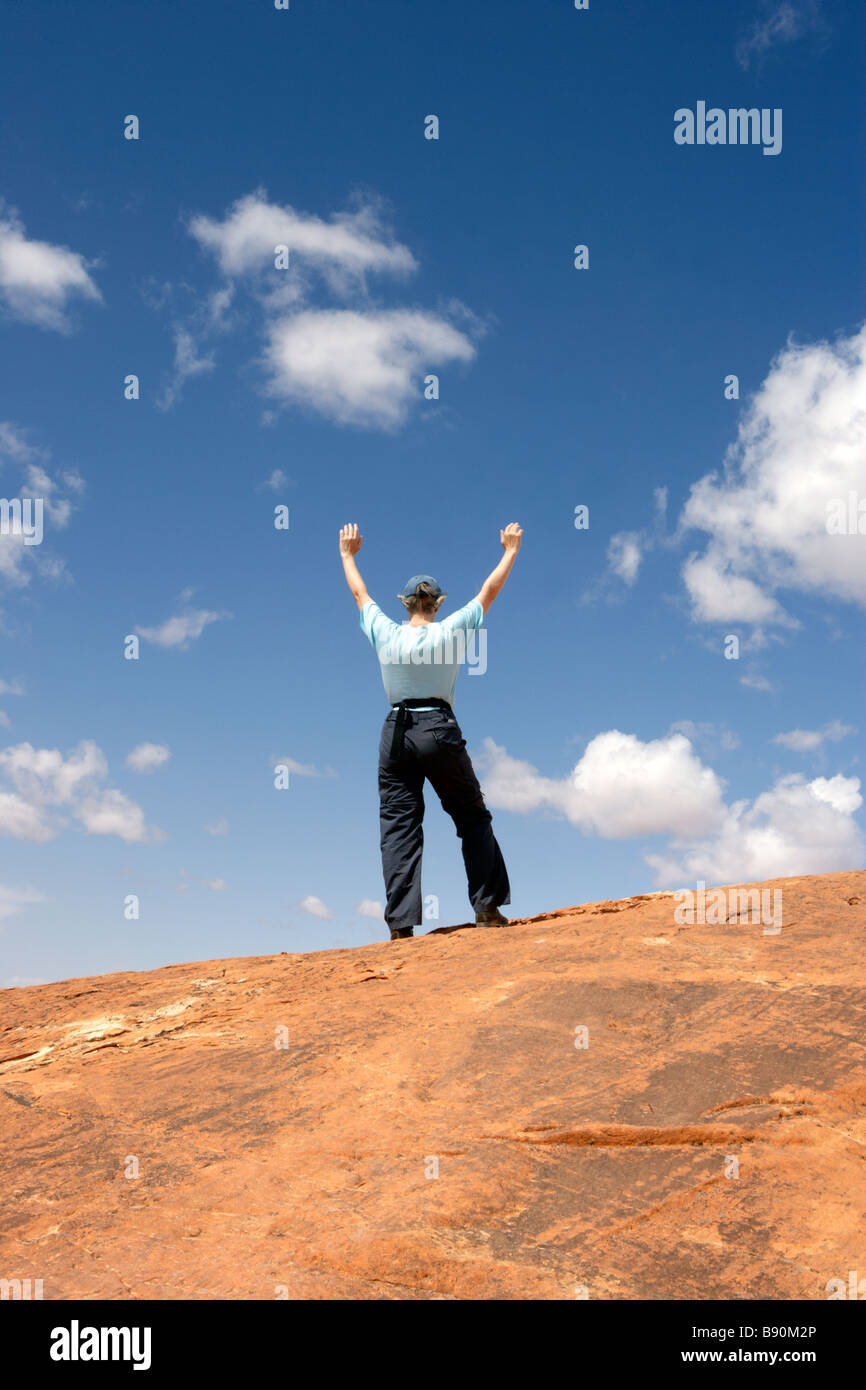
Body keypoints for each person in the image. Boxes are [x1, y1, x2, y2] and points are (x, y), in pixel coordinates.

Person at [339, 521, 523, 941]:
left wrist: (348, 554)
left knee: (399, 826)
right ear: (437, 604)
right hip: (439, 728)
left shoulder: (385, 632)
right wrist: (510, 550)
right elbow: (488, 591)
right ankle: (487, 909)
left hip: (396, 731)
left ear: (405, 604)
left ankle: (401, 927)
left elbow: (359, 594)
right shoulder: (452, 630)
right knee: (472, 816)